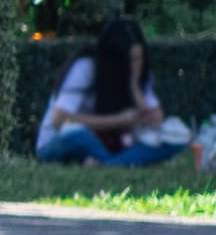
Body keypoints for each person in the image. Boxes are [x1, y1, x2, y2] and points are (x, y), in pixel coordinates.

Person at [35, 16, 201, 167]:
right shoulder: (87, 67)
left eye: (138, 58)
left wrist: (134, 85)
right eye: (130, 60)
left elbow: (156, 120)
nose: (135, 64)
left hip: (113, 143)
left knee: (178, 135)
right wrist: (119, 120)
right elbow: (59, 119)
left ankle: (105, 163)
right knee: (79, 136)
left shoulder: (140, 75)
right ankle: (116, 163)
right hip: (65, 140)